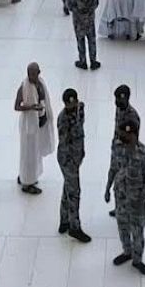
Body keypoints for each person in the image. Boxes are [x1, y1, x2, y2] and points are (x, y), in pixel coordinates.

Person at [106, 120, 145, 275]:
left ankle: (137, 260)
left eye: (125, 135)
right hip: (120, 198)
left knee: (138, 232)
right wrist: (107, 188)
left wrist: (143, 199)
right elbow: (113, 168)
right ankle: (127, 252)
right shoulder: (118, 149)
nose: (122, 138)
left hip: (137, 202)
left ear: (133, 135)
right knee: (122, 227)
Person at [55, 88, 90, 243]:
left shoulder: (80, 109)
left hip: (77, 157)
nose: (72, 106)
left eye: (74, 103)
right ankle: (74, 227)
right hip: (68, 160)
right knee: (74, 192)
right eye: (69, 105)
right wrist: (73, 162)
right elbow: (65, 143)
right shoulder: (63, 119)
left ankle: (64, 220)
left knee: (68, 189)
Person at [13, 61, 53, 195]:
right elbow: (17, 106)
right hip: (28, 126)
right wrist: (31, 107)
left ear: (38, 73)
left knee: (35, 153)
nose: (31, 77)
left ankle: (28, 176)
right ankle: (27, 182)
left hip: (38, 123)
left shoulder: (40, 83)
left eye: (33, 74)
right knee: (28, 154)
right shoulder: (24, 86)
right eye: (29, 74)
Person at [64, 0, 100, 70]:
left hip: (78, 18)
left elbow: (69, 5)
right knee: (91, 39)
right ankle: (93, 61)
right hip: (89, 17)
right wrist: (89, 10)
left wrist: (78, 11)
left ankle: (82, 61)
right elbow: (96, 2)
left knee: (80, 39)